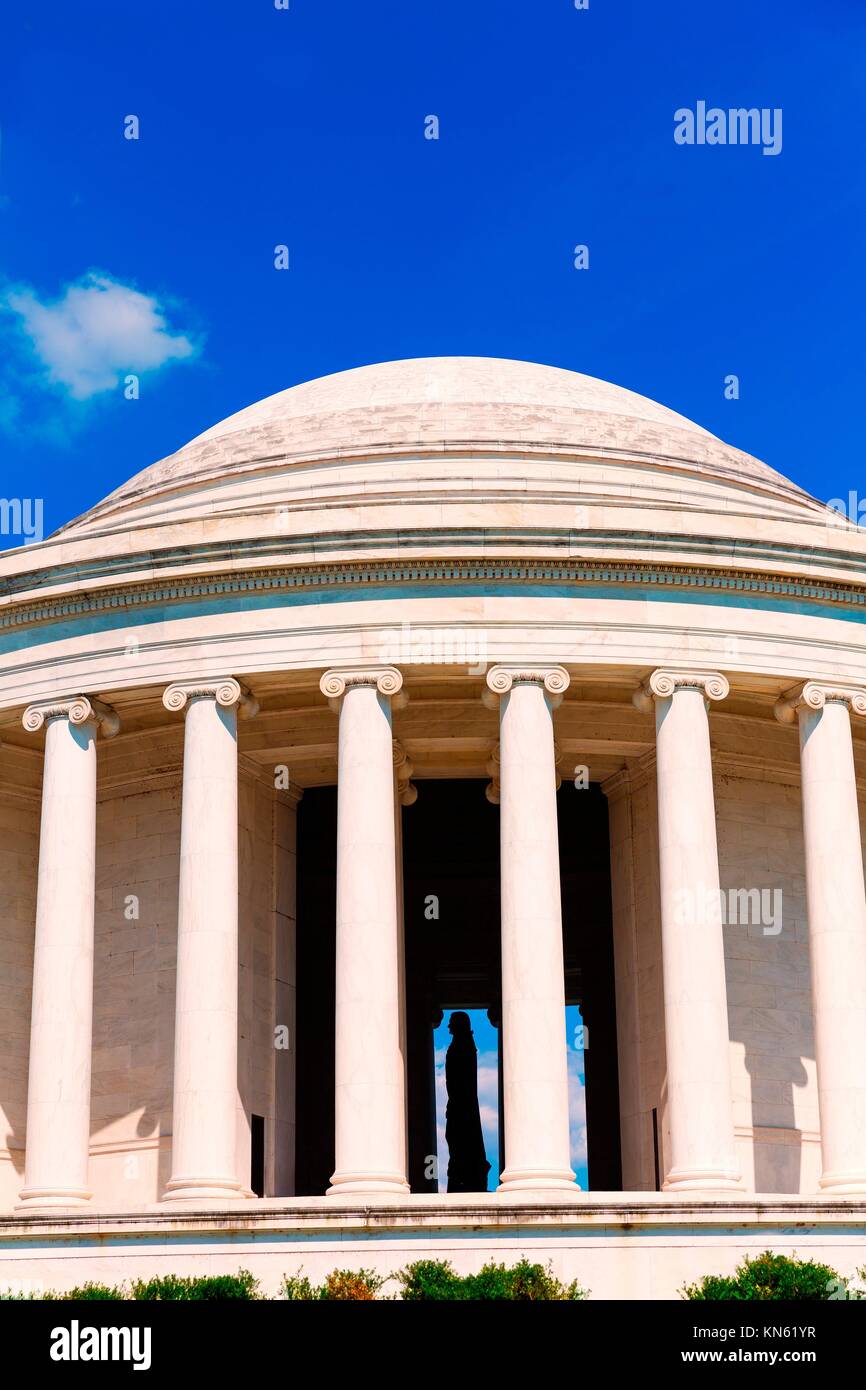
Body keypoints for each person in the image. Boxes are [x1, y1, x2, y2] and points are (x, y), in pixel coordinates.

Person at [444, 1011, 491, 1192]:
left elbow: (460, 1079)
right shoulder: (463, 1043)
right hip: (459, 1103)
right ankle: (464, 1173)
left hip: (460, 1104)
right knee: (457, 1140)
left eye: (451, 1023)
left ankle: (464, 1175)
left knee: (458, 1139)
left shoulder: (462, 1045)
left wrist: (455, 1102)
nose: (448, 1026)